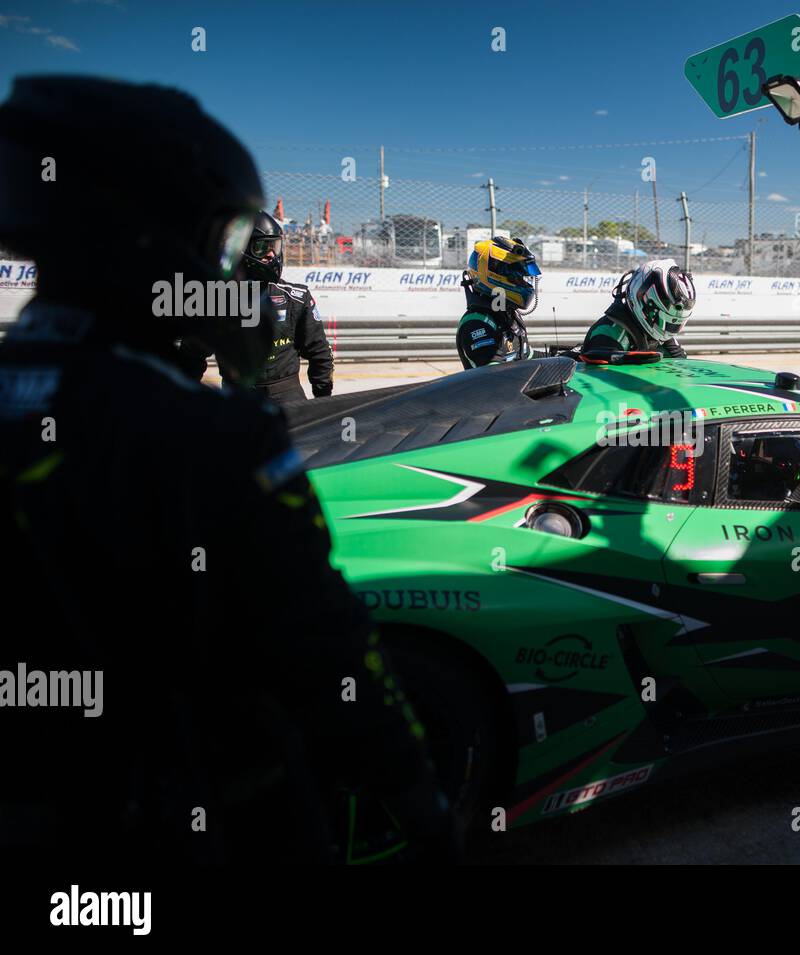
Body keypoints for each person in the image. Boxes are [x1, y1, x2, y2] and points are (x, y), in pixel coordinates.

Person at [0, 75, 447, 862]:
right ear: (172, 234)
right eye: (226, 239)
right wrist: (415, 792)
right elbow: (328, 651)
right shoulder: (213, 437)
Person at [186, 212, 335, 404]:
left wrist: (324, 404)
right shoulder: (217, 300)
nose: (271, 254)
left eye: (275, 246)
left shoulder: (296, 298)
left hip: (288, 396)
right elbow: (191, 356)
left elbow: (320, 352)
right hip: (238, 398)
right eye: (262, 247)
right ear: (242, 249)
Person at [581, 259, 696, 359]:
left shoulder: (662, 337)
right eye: (669, 323)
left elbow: (681, 363)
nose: (671, 329)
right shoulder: (608, 333)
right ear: (646, 302)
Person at [455, 235, 540, 369]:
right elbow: (495, 378)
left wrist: (566, 356)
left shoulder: (509, 313)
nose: (524, 282)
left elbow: (527, 356)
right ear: (494, 276)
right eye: (517, 278)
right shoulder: (477, 323)